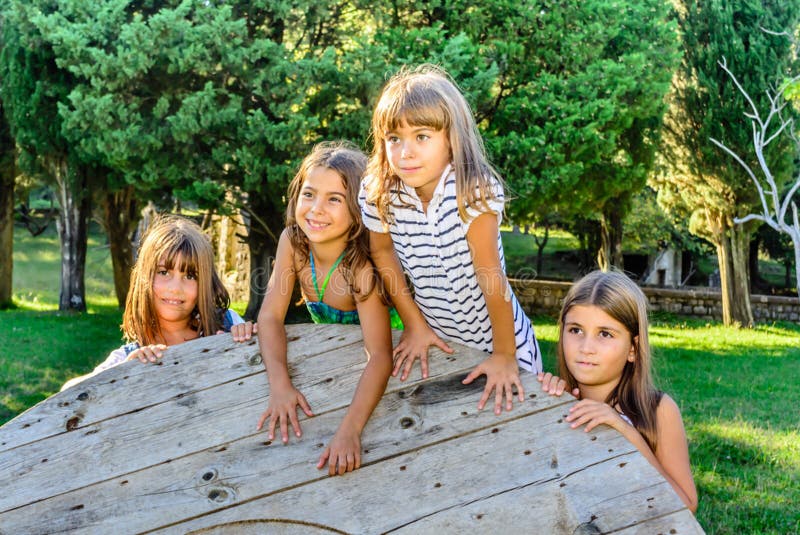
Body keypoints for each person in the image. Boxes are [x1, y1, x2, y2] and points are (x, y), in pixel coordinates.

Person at [359, 64, 541, 415]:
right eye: (394, 139)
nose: (405, 152)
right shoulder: (379, 191)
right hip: (445, 341)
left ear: (451, 138)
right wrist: (414, 324)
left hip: (505, 341)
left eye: (422, 137)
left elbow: (492, 278)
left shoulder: (472, 191)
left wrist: (505, 356)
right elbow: (381, 253)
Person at [255, 141, 395, 476]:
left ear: (359, 207)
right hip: (332, 366)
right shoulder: (293, 242)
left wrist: (350, 430)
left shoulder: (360, 265)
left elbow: (379, 355)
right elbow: (270, 316)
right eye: (309, 194)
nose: (316, 209)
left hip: (380, 369)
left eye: (334, 199)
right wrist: (280, 384)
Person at [538, 270, 698, 512]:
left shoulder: (658, 410)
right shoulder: (556, 400)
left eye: (605, 334)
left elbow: (686, 505)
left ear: (633, 348)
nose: (586, 347)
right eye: (575, 330)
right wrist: (543, 406)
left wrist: (625, 432)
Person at [61, 215, 253, 390]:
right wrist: (121, 373)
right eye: (163, 272)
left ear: (205, 283)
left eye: (190, 275)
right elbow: (68, 392)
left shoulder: (228, 324)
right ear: (144, 277)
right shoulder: (131, 356)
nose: (175, 287)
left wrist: (251, 340)